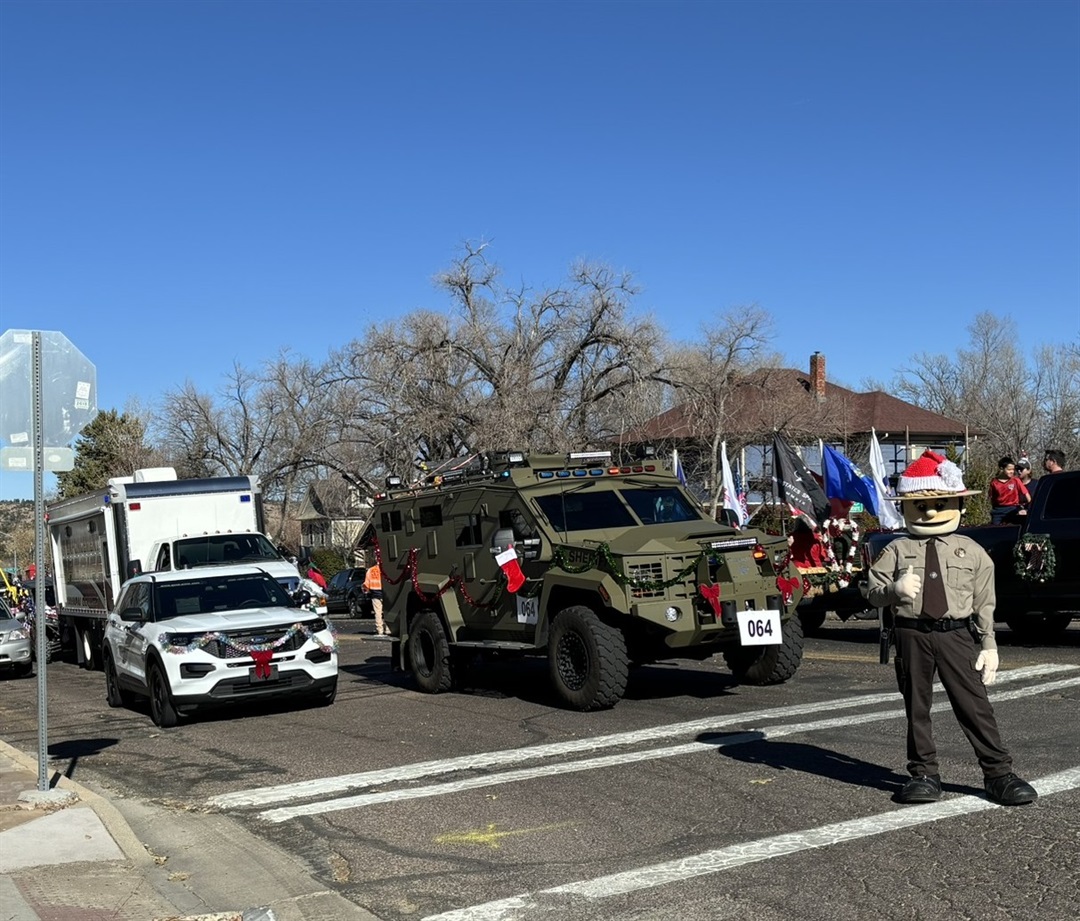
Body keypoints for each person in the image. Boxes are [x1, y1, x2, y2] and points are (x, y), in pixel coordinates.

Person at [865, 450, 1036, 807]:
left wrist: (989, 644)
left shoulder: (972, 551)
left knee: (974, 704)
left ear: (958, 503)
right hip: (911, 633)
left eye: (939, 503)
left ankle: (998, 774)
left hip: (956, 633)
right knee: (917, 706)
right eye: (920, 505)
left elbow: (984, 601)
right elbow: (870, 592)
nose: (929, 512)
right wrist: (893, 590)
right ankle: (923, 774)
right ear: (906, 507)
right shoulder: (896, 549)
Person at [986, 456, 1030, 525]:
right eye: (1009, 469)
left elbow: (1026, 494)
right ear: (1002, 469)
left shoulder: (1015, 480)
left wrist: (1028, 508)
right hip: (999, 510)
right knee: (995, 528)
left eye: (1013, 469)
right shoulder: (994, 482)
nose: (1012, 472)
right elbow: (992, 498)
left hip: (1013, 508)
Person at [363, 564, 388, 635]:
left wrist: (367, 590)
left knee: (378, 612)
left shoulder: (370, 570)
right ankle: (388, 629)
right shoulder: (386, 569)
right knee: (387, 612)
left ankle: (380, 630)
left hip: (375, 593)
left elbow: (366, 584)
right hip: (385, 592)